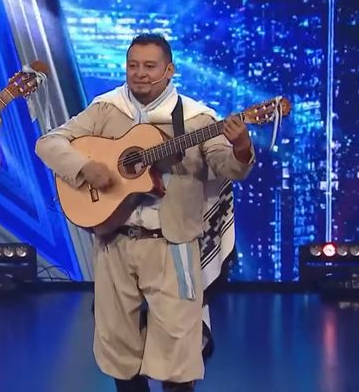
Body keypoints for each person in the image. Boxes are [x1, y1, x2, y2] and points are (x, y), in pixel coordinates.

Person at [35, 33, 255, 392]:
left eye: (149, 66)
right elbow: (49, 142)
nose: (139, 74)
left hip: (174, 246)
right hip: (115, 242)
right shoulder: (106, 110)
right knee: (118, 345)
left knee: (178, 349)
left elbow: (227, 169)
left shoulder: (198, 119)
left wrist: (242, 147)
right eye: (133, 65)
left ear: (169, 70)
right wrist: (85, 167)